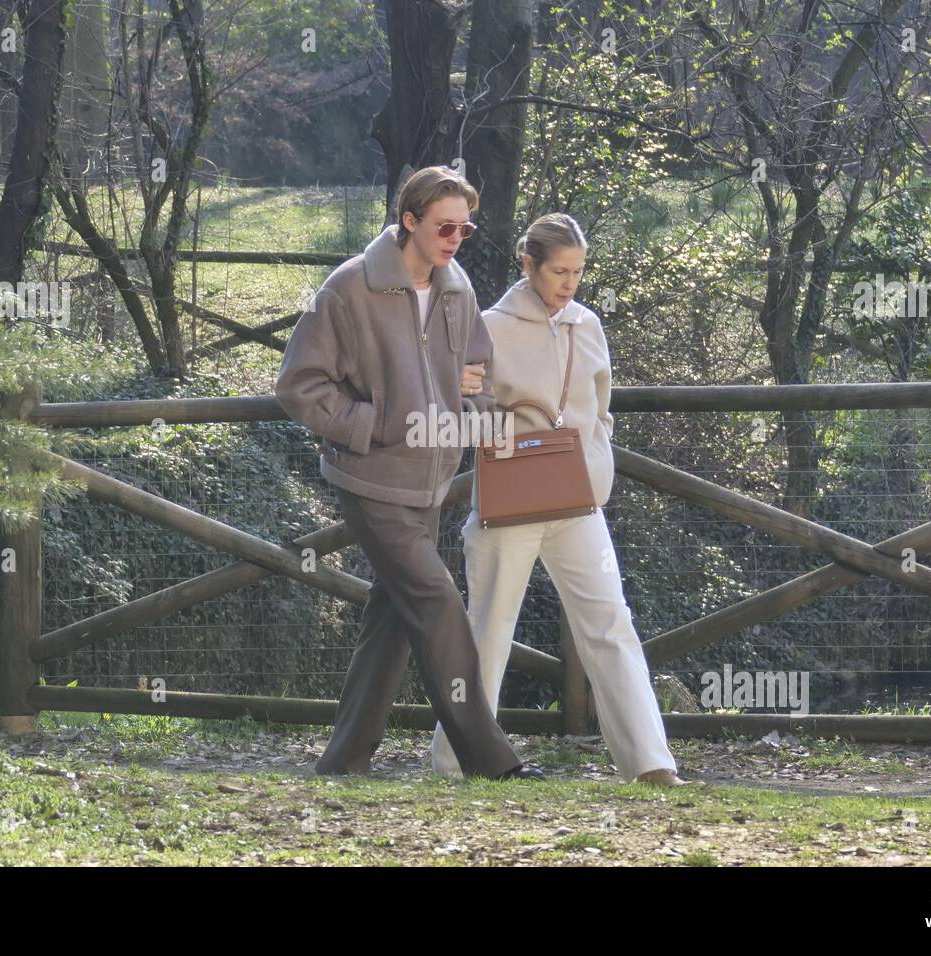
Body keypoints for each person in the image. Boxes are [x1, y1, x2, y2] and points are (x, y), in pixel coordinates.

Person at [275, 166, 542, 780]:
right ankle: (489, 758)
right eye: (445, 225)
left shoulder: (459, 287)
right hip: (370, 478)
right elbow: (299, 386)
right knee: (438, 601)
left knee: (392, 617)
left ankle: (344, 761)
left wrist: (468, 411)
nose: (456, 237)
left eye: (465, 227)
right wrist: (370, 425)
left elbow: (477, 372)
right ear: (410, 221)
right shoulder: (350, 289)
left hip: (432, 479)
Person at [430, 213, 684, 786]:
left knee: (610, 622)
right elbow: (462, 407)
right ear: (529, 265)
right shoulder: (487, 326)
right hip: (511, 497)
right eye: (559, 271)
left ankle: (649, 762)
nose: (569, 283)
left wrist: (595, 460)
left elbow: (602, 408)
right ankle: (455, 760)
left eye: (578, 272)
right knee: (487, 629)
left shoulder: (588, 325)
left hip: (578, 500)